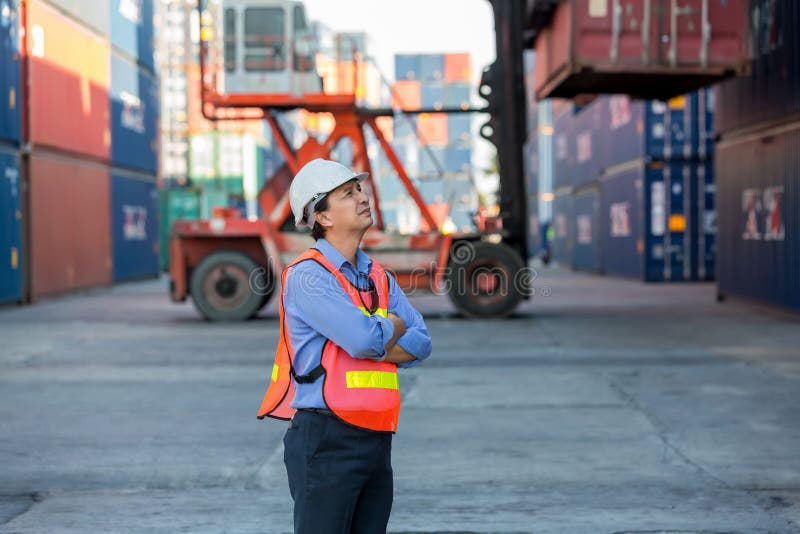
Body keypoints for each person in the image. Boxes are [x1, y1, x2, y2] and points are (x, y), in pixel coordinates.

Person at [257, 158, 432, 534]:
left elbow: (422, 344)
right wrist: (391, 328)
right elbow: (363, 339)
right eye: (347, 193)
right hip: (325, 440)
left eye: (360, 189)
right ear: (322, 216)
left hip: (377, 439)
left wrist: (375, 338)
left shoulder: (377, 275)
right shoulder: (308, 276)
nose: (362, 197)